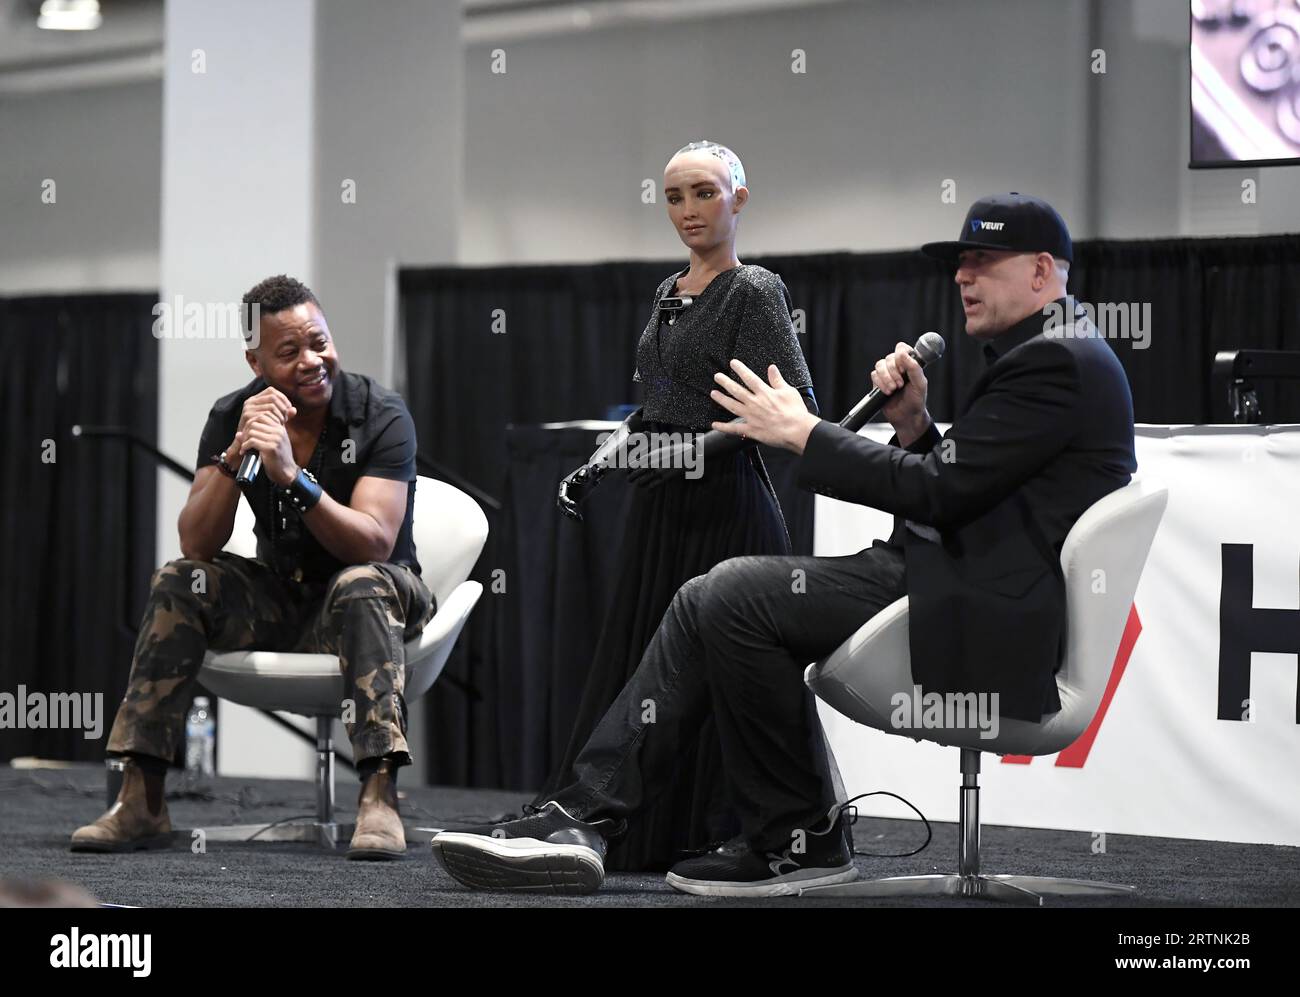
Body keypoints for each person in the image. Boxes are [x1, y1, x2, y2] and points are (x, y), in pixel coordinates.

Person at [431, 192, 1137, 896]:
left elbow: (940, 496)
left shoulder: (1054, 363)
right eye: (959, 264)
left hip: (975, 597)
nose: (962, 276)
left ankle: (725, 828)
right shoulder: (1056, 353)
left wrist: (803, 432)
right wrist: (917, 425)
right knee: (719, 595)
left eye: (981, 261)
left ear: (1042, 270)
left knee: (729, 594)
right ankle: (729, 827)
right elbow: (967, 483)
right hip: (955, 575)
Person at [71, 275, 436, 861]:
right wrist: (235, 451)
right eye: (289, 353)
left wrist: (294, 478)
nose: (313, 361)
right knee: (178, 580)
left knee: (360, 584)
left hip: (379, 596)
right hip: (284, 600)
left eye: (319, 341)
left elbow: (373, 543)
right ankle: (143, 798)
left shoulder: (379, 414)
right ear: (256, 361)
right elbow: (196, 542)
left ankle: (378, 795)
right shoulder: (233, 415)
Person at [532, 140, 819, 871]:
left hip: (726, 509)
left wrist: (685, 453)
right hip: (658, 511)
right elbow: (657, 405)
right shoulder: (669, 291)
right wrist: (606, 457)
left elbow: (794, 412)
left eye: (703, 192)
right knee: (647, 669)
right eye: (674, 196)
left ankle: (736, 830)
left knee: (725, 670)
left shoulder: (753, 290)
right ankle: (621, 826)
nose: (688, 210)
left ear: (739, 200)